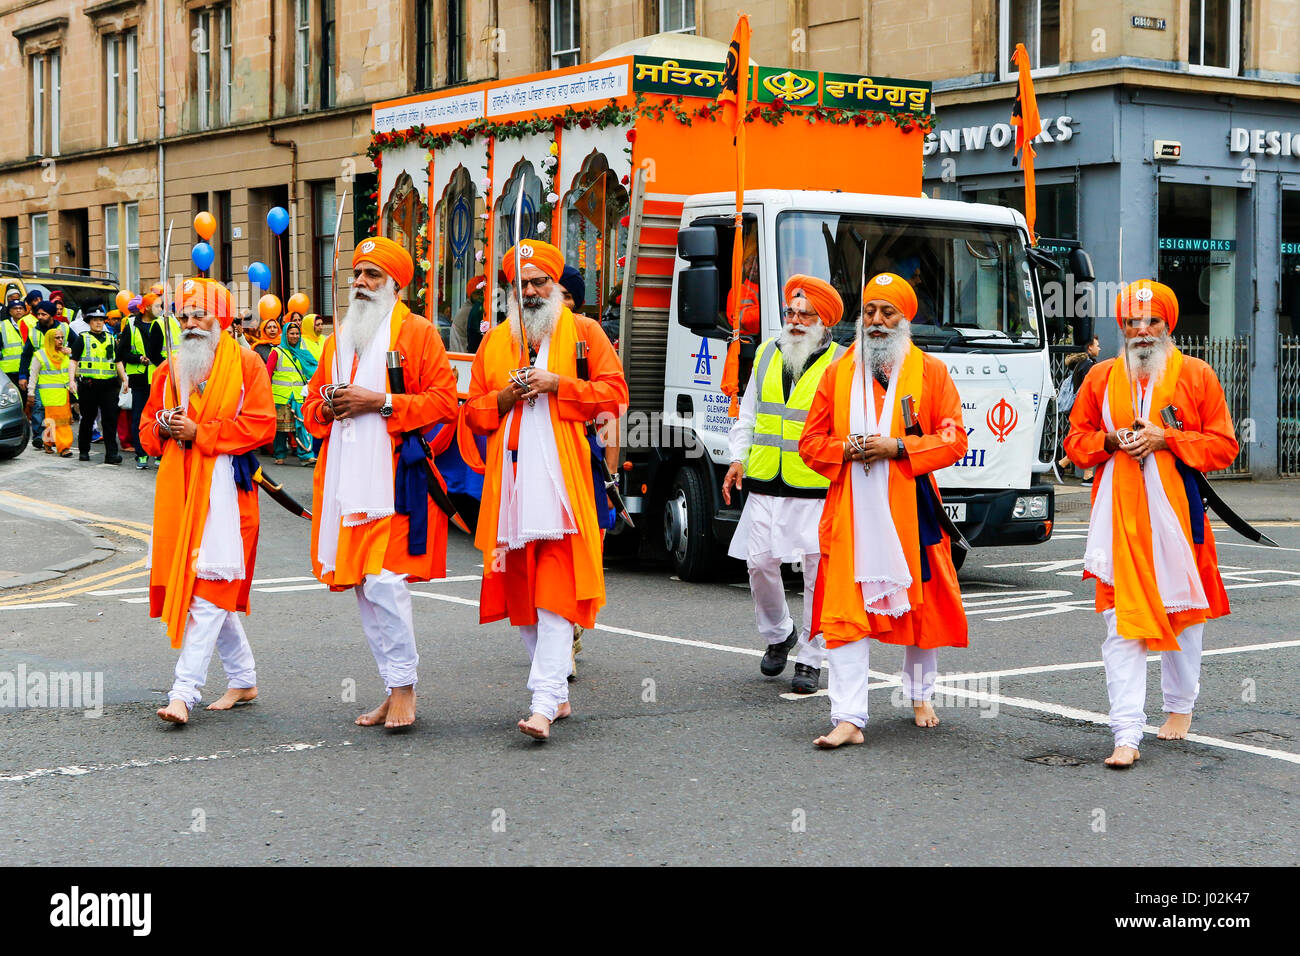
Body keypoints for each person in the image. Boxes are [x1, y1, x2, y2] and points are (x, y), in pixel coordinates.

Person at [1064, 280, 1238, 769]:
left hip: (1179, 521)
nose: (1142, 330)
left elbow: (1224, 446)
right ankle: (1126, 731)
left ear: (1167, 326)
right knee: (1121, 625)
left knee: (1183, 615)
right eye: (1133, 323)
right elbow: (1076, 442)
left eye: (1151, 322)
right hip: (1117, 522)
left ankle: (1180, 705)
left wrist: (1168, 439)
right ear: (1122, 328)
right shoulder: (1100, 377)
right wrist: (1112, 442)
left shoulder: (1197, 374)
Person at [464, 239, 629, 741]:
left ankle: (540, 701)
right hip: (510, 486)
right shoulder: (495, 342)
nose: (532, 292)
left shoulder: (584, 333)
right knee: (524, 596)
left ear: (558, 287)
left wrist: (559, 384)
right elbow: (471, 411)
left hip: (564, 485)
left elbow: (615, 397)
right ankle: (555, 694)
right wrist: (508, 394)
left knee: (556, 594)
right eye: (523, 285)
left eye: (540, 283)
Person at [798, 272, 969, 749]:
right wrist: (847, 449)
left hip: (910, 511)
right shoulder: (837, 372)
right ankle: (849, 718)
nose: (875, 321)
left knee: (920, 611)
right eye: (869, 311)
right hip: (852, 513)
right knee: (845, 613)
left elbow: (955, 439)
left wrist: (899, 447)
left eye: (886, 312)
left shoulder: (931, 372)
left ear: (905, 319)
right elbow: (809, 444)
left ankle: (919, 695)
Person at [303, 236, 459, 731]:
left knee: (388, 583)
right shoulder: (336, 338)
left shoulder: (417, 333)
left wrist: (382, 402)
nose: (362, 283)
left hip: (395, 480)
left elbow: (443, 402)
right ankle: (392, 689)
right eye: (358, 274)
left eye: (373, 275)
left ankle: (407, 689)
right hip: (344, 480)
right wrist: (328, 407)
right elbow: (310, 411)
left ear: (394, 284)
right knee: (364, 590)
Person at [142, 278, 277, 724]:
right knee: (209, 593)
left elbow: (262, 427)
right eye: (183, 315)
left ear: (220, 317)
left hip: (226, 495)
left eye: (199, 314)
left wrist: (202, 434)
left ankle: (183, 693)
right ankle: (243, 679)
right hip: (179, 494)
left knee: (208, 593)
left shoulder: (246, 364)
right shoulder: (169, 368)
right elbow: (147, 433)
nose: (190, 323)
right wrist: (164, 428)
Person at [723, 275, 842, 694]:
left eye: (803, 314)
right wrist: (737, 458)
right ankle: (779, 634)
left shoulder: (842, 364)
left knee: (816, 574)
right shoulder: (765, 354)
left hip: (817, 486)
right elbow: (749, 414)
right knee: (758, 564)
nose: (793, 320)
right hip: (764, 480)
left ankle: (812, 656)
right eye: (789, 312)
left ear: (823, 321)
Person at [68, 306, 125, 464]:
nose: (99, 323)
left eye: (101, 320)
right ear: (89, 322)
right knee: (87, 419)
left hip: (109, 385)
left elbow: (118, 360)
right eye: (95, 320)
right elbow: (73, 361)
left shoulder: (111, 339)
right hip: (89, 385)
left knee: (110, 420)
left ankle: (111, 454)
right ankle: (84, 451)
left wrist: (125, 379)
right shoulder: (82, 338)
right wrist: (71, 380)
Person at [267, 320, 317, 465]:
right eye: (291, 333)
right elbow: (267, 373)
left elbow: (313, 372)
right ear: (285, 335)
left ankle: (306, 455)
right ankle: (280, 454)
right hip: (281, 397)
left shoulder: (304, 354)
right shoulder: (276, 352)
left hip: (299, 396)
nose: (295, 336)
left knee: (302, 426)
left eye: (297, 333)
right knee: (280, 429)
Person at [1057, 335, 1101, 482]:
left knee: (1085, 438)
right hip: (1084, 408)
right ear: (1090, 347)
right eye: (1097, 345)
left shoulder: (1081, 364)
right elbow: (1091, 387)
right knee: (1088, 438)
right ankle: (1063, 465)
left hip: (1078, 408)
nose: (1099, 348)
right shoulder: (1088, 364)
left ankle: (1084, 473)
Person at [27, 324, 75, 456]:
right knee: (61, 421)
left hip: (64, 393)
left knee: (54, 419)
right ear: (49, 339)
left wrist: (71, 353)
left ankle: (48, 442)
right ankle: (64, 447)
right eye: (56, 338)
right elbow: (33, 375)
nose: (60, 340)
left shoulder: (65, 353)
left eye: (61, 337)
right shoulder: (40, 355)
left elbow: (75, 368)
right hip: (49, 394)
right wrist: (30, 393)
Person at [118, 298, 154, 468]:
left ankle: (158, 452)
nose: (161, 308)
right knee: (139, 417)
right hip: (139, 378)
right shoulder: (131, 324)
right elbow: (121, 353)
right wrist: (139, 359)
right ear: (146, 308)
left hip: (158, 377)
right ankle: (141, 454)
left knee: (159, 416)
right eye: (158, 305)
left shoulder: (162, 322)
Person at [18, 300, 58, 449]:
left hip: (58, 377)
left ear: (51, 315)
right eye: (38, 314)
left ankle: (52, 437)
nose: (40, 317)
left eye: (43, 314)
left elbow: (75, 348)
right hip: (40, 376)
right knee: (38, 407)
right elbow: (26, 355)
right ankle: (39, 437)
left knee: (54, 408)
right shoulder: (34, 331)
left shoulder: (63, 329)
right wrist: (23, 375)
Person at [451, 275, 487, 354]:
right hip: (462, 355)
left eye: (483, 292)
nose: (481, 296)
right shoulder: (470, 310)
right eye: (478, 293)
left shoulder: (470, 307)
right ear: (470, 295)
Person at [1, 296, 26, 387]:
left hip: (27, 369)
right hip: (8, 370)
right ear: (10, 311)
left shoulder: (30, 324)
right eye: (15, 308)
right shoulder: (2, 325)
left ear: (24, 311)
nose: (18, 310)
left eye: (20, 308)